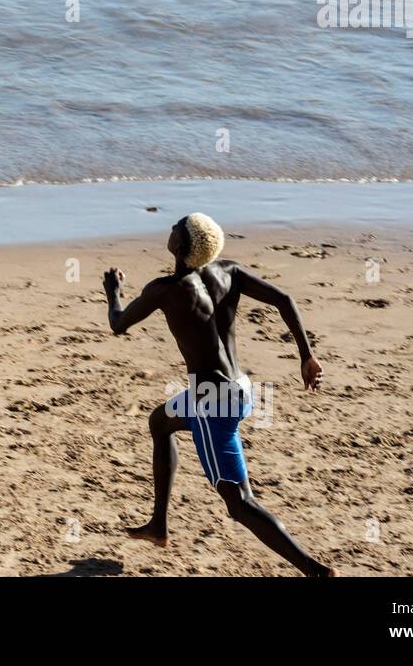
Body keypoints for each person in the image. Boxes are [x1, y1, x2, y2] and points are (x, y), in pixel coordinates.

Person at [103, 213, 333, 576]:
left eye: (176, 227)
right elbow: (285, 300)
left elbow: (118, 324)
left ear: (181, 245)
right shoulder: (229, 272)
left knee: (239, 503)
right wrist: (307, 355)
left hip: (214, 404)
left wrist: (113, 292)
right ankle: (158, 526)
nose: (171, 228)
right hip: (240, 389)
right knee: (160, 422)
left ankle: (314, 570)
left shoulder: (166, 290)